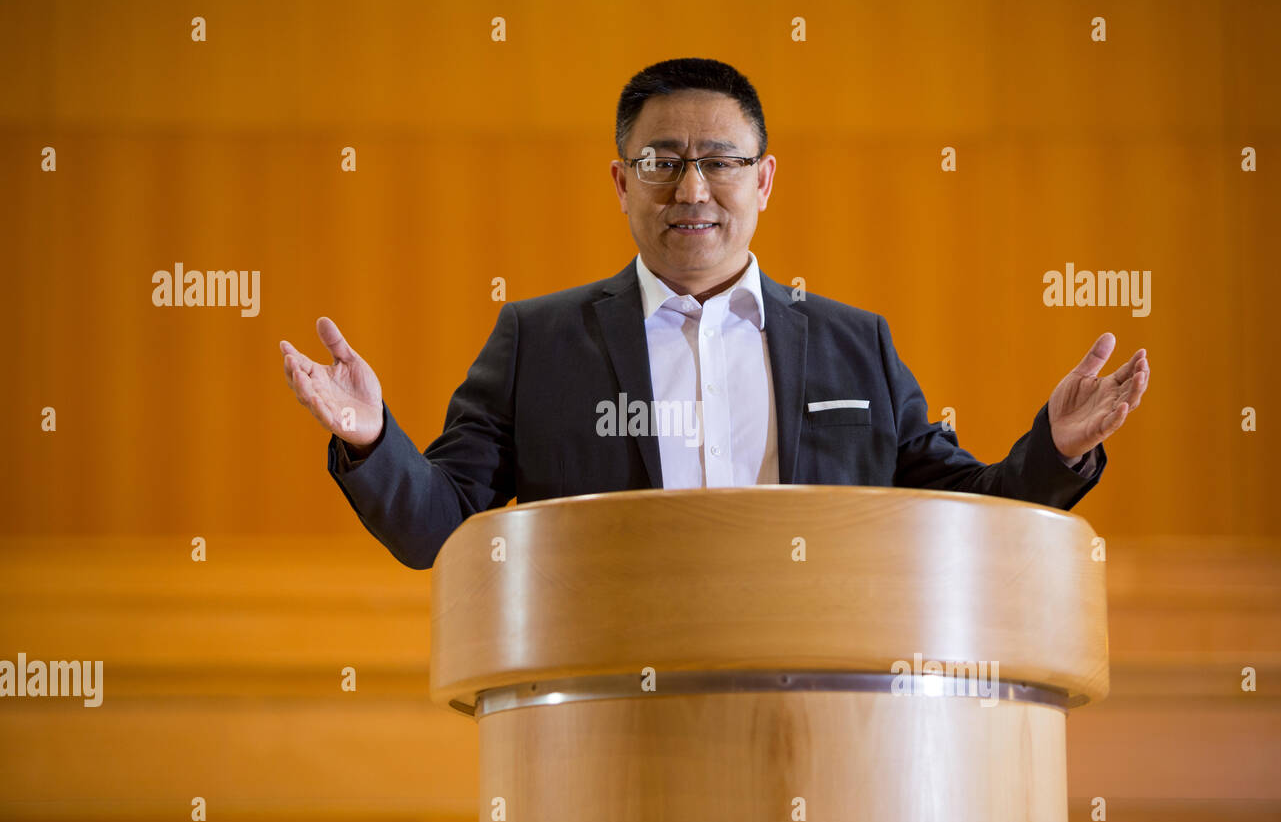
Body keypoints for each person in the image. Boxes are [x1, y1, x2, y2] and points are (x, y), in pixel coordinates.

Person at [280, 57, 1150, 571]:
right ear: (621, 182)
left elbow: (966, 509)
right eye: (661, 160)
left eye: (721, 161)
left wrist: (1056, 450)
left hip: (820, 702)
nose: (691, 188)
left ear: (763, 180)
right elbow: (443, 531)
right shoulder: (538, 342)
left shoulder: (857, 345)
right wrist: (369, 440)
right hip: (607, 701)